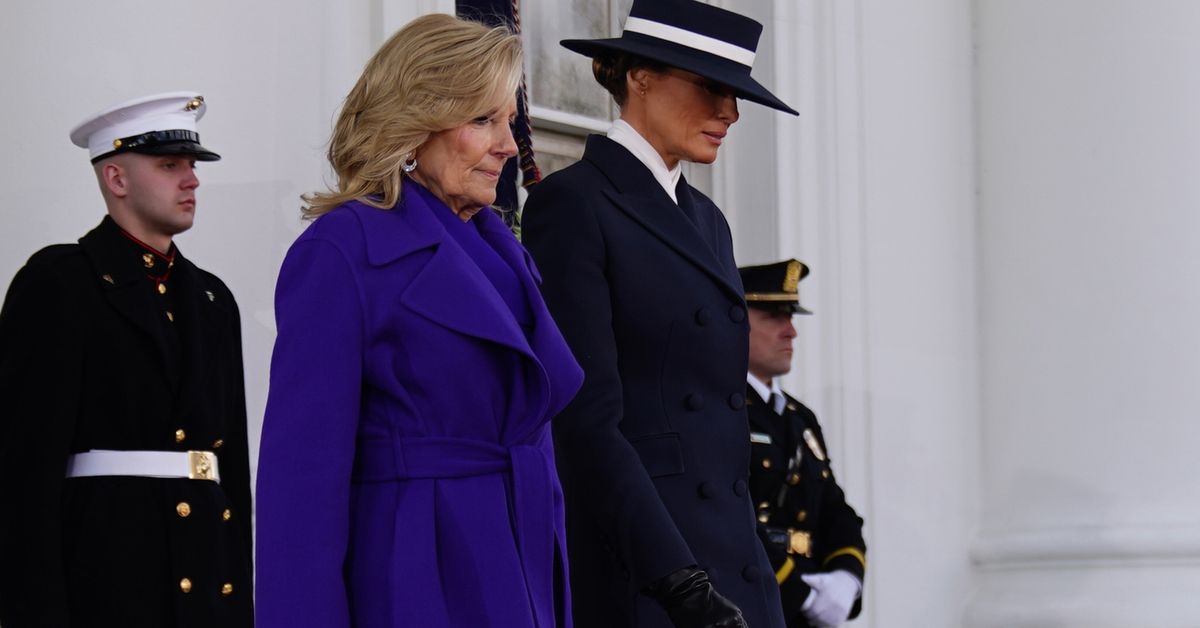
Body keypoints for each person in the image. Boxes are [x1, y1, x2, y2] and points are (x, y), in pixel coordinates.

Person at [254, 14, 583, 628]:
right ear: (413, 124)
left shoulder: (504, 251)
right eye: (483, 120)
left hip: (524, 570)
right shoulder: (342, 249)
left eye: (508, 121)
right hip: (415, 579)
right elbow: (300, 488)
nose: (509, 146)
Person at [521, 1, 799, 627]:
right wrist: (677, 580)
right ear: (641, 77)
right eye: (711, 87)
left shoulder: (709, 221)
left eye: (736, 96)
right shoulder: (572, 205)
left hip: (735, 566)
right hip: (648, 575)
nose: (729, 113)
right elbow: (586, 419)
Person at [0, 92, 253, 627]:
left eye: (191, 166)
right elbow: (24, 474)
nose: (192, 180)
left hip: (205, 587)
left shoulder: (212, 299)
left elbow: (229, 466)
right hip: (110, 581)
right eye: (169, 166)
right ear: (116, 179)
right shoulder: (60, 283)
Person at [739, 260, 867, 628]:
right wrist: (800, 594)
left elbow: (835, 509)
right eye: (775, 317)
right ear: (737, 320)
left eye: (792, 317)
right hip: (755, 603)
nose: (791, 332)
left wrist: (846, 578)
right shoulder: (720, 411)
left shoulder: (800, 418)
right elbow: (730, 515)